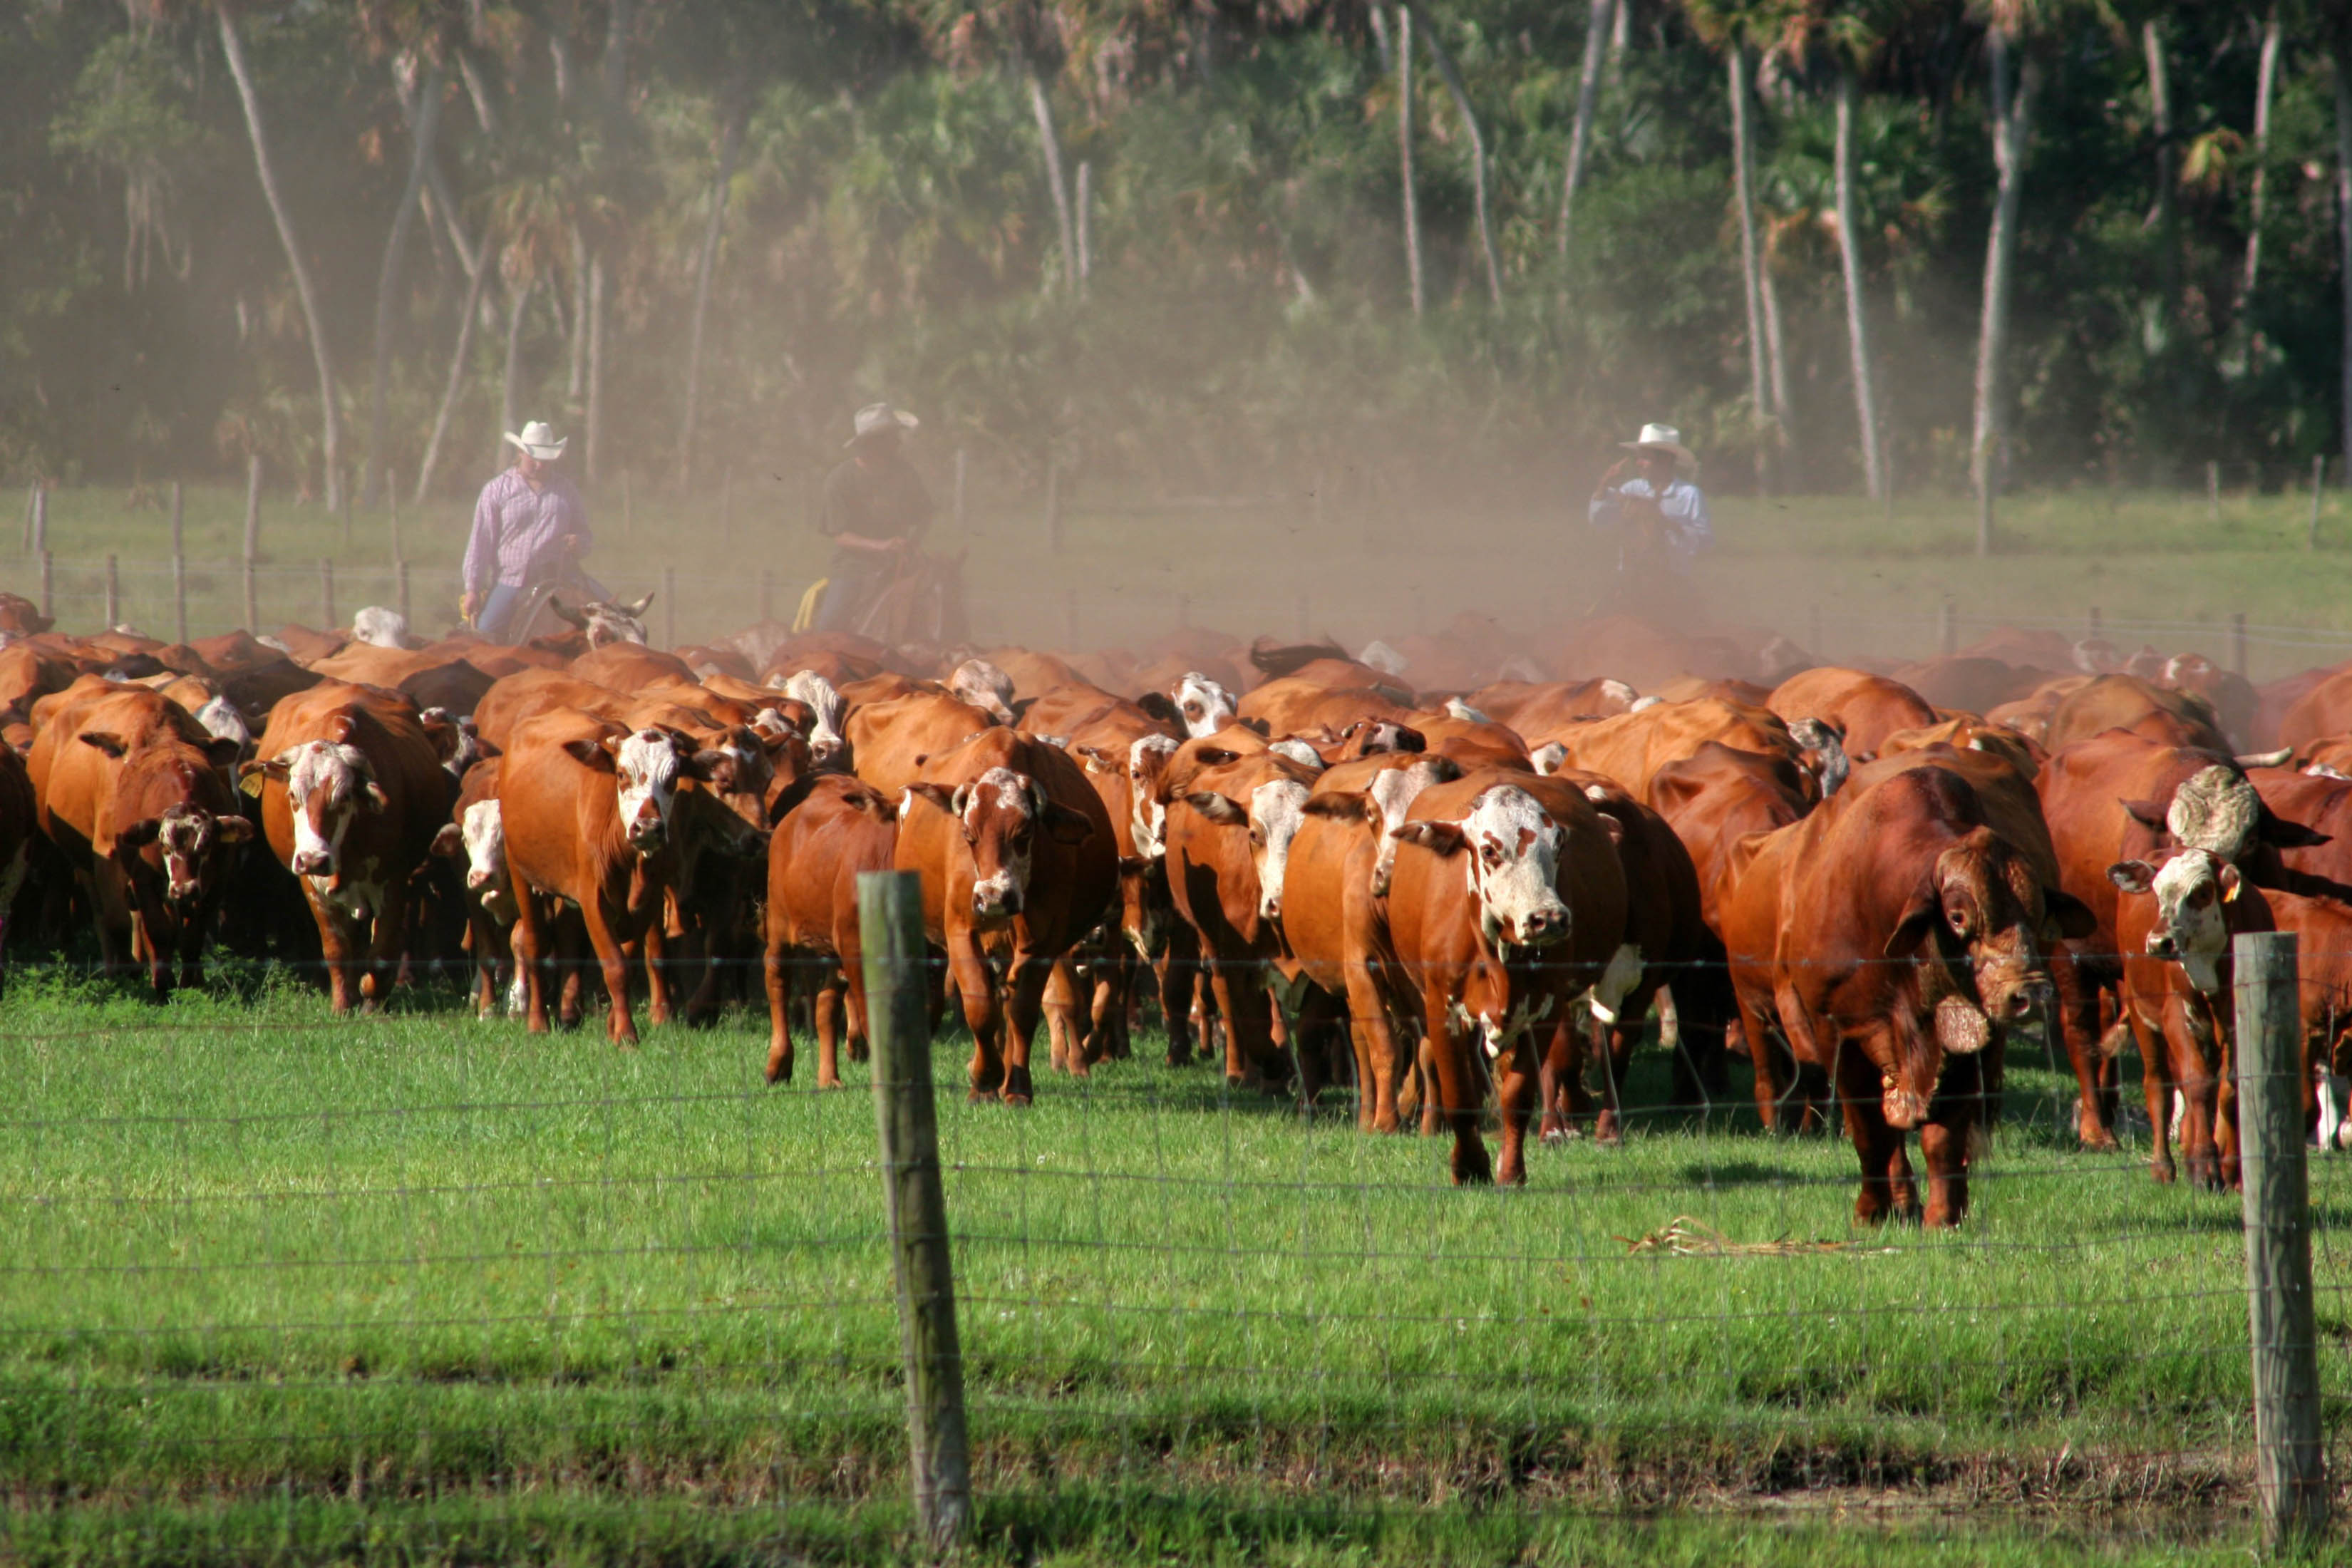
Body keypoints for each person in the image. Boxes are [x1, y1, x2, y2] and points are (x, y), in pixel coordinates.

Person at [460, 420, 598, 642]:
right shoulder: (497, 490)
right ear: (520, 453)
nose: (539, 465)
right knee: (485, 631)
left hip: (559, 577)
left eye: (545, 460)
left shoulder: (566, 490)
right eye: (533, 458)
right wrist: (473, 589)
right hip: (512, 580)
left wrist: (578, 542)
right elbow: (480, 542)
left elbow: (585, 535)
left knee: (611, 611)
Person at [814, 402, 934, 634]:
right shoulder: (840, 480)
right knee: (830, 625)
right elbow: (840, 536)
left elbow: (925, 514)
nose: (898, 442)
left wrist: (914, 543)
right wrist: (882, 546)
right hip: (854, 567)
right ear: (872, 443)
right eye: (891, 437)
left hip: (901, 563)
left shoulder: (904, 473)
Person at [1588, 422, 1713, 576]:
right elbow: (1599, 520)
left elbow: (1706, 544)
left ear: (1666, 460)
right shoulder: (1632, 489)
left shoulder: (1690, 495)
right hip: (1630, 577)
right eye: (1638, 458)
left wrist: (1669, 526)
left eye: (1646, 458)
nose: (1639, 464)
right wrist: (1603, 485)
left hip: (1673, 579)